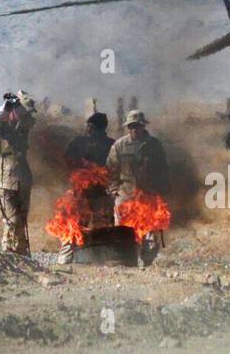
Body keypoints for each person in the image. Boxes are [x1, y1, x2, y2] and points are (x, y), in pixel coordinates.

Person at [106, 109, 168, 264]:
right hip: (125, 193)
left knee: (150, 232)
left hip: (148, 195)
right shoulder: (119, 145)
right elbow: (111, 169)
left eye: (137, 126)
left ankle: (147, 261)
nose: (134, 129)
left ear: (143, 126)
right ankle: (126, 260)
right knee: (123, 230)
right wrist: (114, 190)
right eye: (131, 126)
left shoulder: (154, 145)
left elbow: (162, 170)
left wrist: (161, 192)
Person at [57, 113, 116, 264]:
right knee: (74, 223)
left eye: (92, 127)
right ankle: (66, 259)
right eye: (88, 126)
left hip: (102, 192)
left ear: (101, 129)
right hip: (81, 192)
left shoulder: (111, 145)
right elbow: (66, 160)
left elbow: (116, 167)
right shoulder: (78, 142)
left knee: (102, 225)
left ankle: (100, 258)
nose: (88, 130)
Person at [0, 91, 36, 255]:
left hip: (23, 180)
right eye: (19, 110)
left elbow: (28, 119)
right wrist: (6, 107)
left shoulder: (24, 125)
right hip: (5, 181)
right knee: (11, 220)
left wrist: (18, 106)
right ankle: (9, 253)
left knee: (21, 220)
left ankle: (21, 253)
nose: (23, 114)